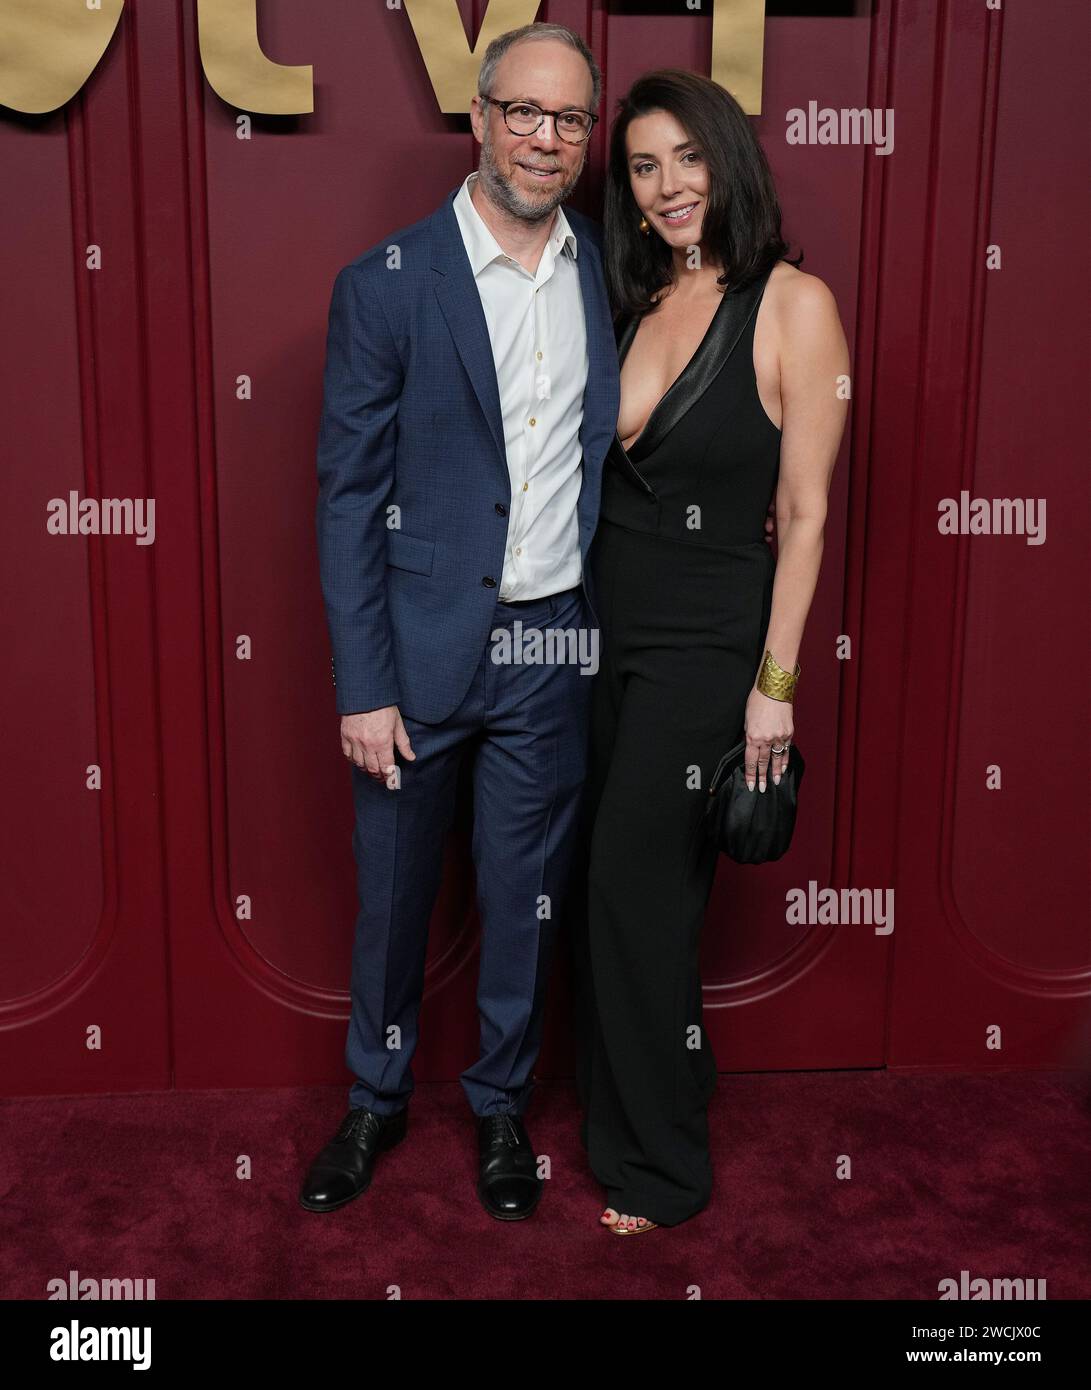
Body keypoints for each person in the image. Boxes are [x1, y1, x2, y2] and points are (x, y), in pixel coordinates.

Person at [300, 24, 620, 1220]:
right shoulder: (386, 283)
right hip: (417, 650)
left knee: (524, 894)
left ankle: (498, 1106)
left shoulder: (603, 277)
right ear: (479, 118)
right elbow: (346, 500)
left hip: (550, 645)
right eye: (523, 112)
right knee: (392, 898)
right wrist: (362, 685)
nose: (545, 138)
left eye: (569, 119)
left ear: (585, 138)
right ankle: (374, 1099)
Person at [571, 69, 849, 1234]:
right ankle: (672, 1081)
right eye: (643, 166)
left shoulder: (792, 305)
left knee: (629, 893)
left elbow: (805, 514)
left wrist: (772, 688)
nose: (667, 184)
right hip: (602, 640)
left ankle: (661, 1172)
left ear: (726, 160)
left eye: (686, 157)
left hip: (705, 648)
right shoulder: (634, 301)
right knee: (614, 892)